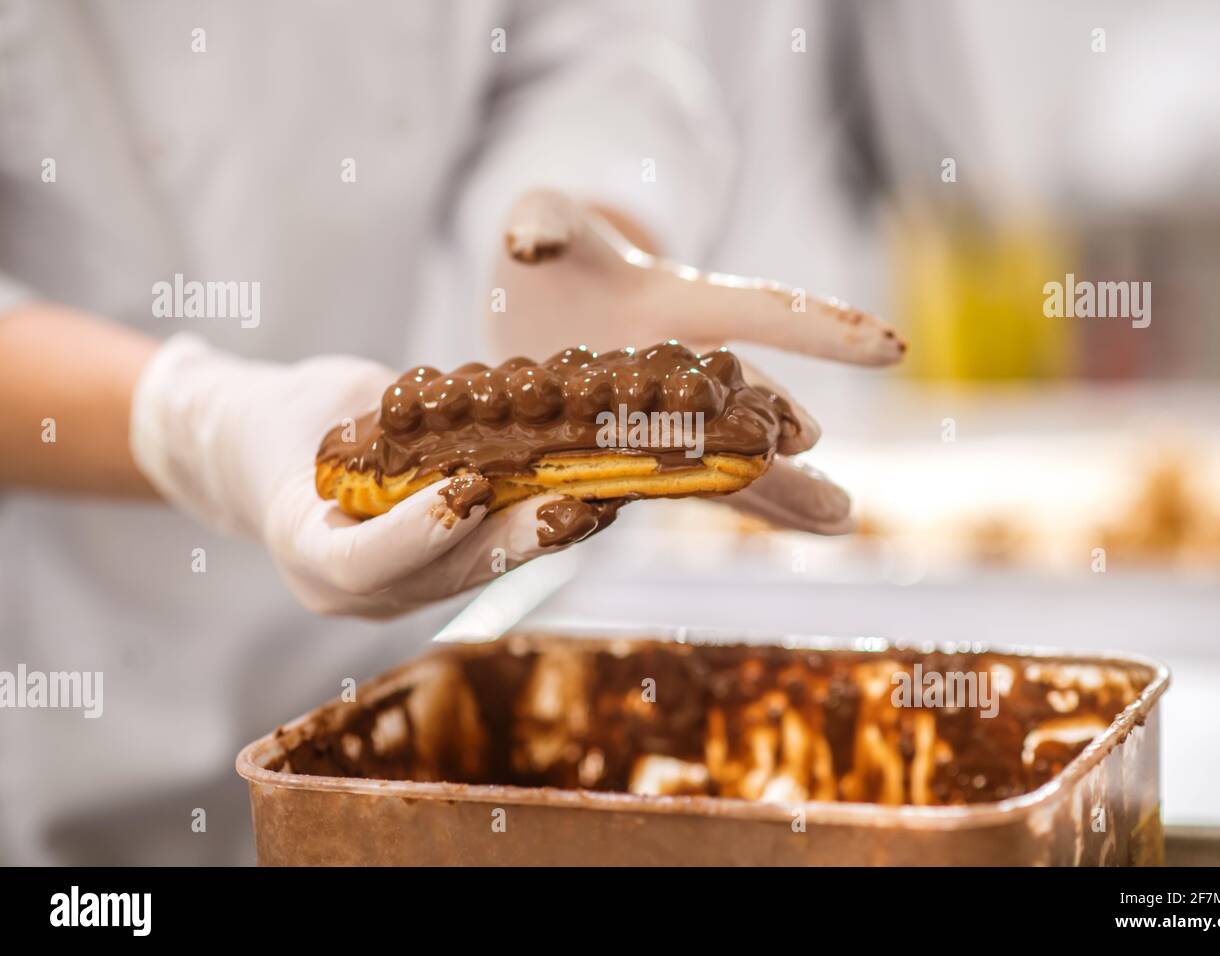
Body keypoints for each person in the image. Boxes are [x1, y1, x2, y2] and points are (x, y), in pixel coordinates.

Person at [0, 1, 901, 863]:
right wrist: (192, 424)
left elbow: (589, 44)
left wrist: (574, 230)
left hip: (432, 661)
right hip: (74, 715)